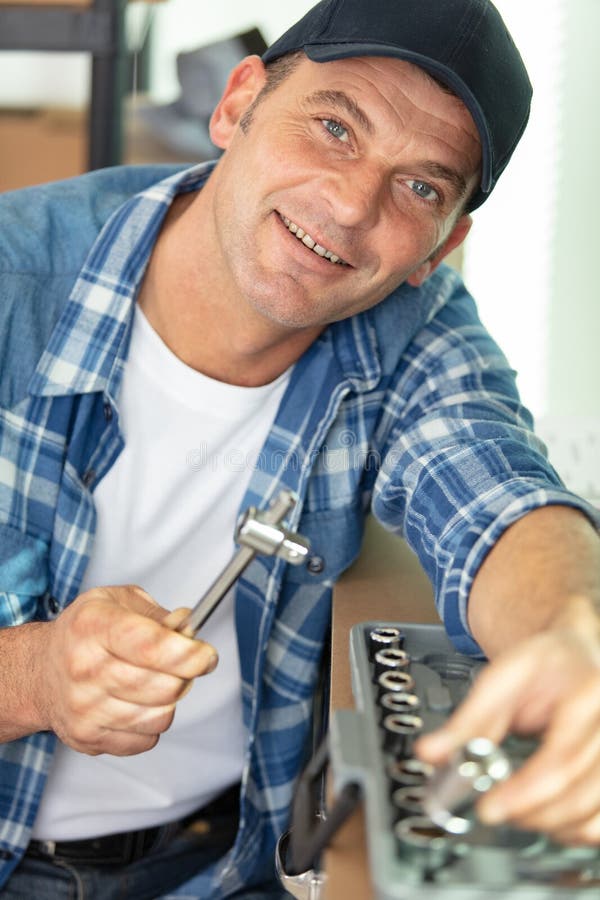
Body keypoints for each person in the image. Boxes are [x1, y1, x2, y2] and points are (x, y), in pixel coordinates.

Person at [0, 0, 599, 896]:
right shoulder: (15, 281)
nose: (353, 205)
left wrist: (576, 638)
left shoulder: (413, 329)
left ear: (444, 244)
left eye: (422, 187)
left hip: (225, 867)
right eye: (334, 127)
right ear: (238, 103)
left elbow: (494, 489)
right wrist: (35, 678)